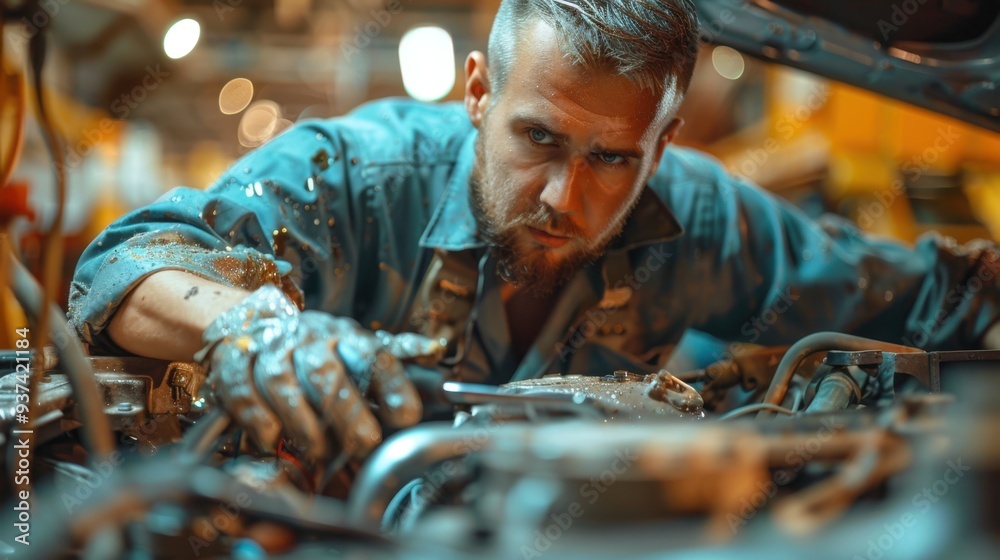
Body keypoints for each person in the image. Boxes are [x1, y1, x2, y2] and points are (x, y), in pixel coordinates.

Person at [68, 0, 1000, 464]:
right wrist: (258, 328)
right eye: (540, 139)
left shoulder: (705, 220)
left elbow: (932, 297)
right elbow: (126, 267)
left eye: (612, 158)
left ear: (663, 143)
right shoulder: (356, 175)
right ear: (478, 92)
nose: (563, 196)